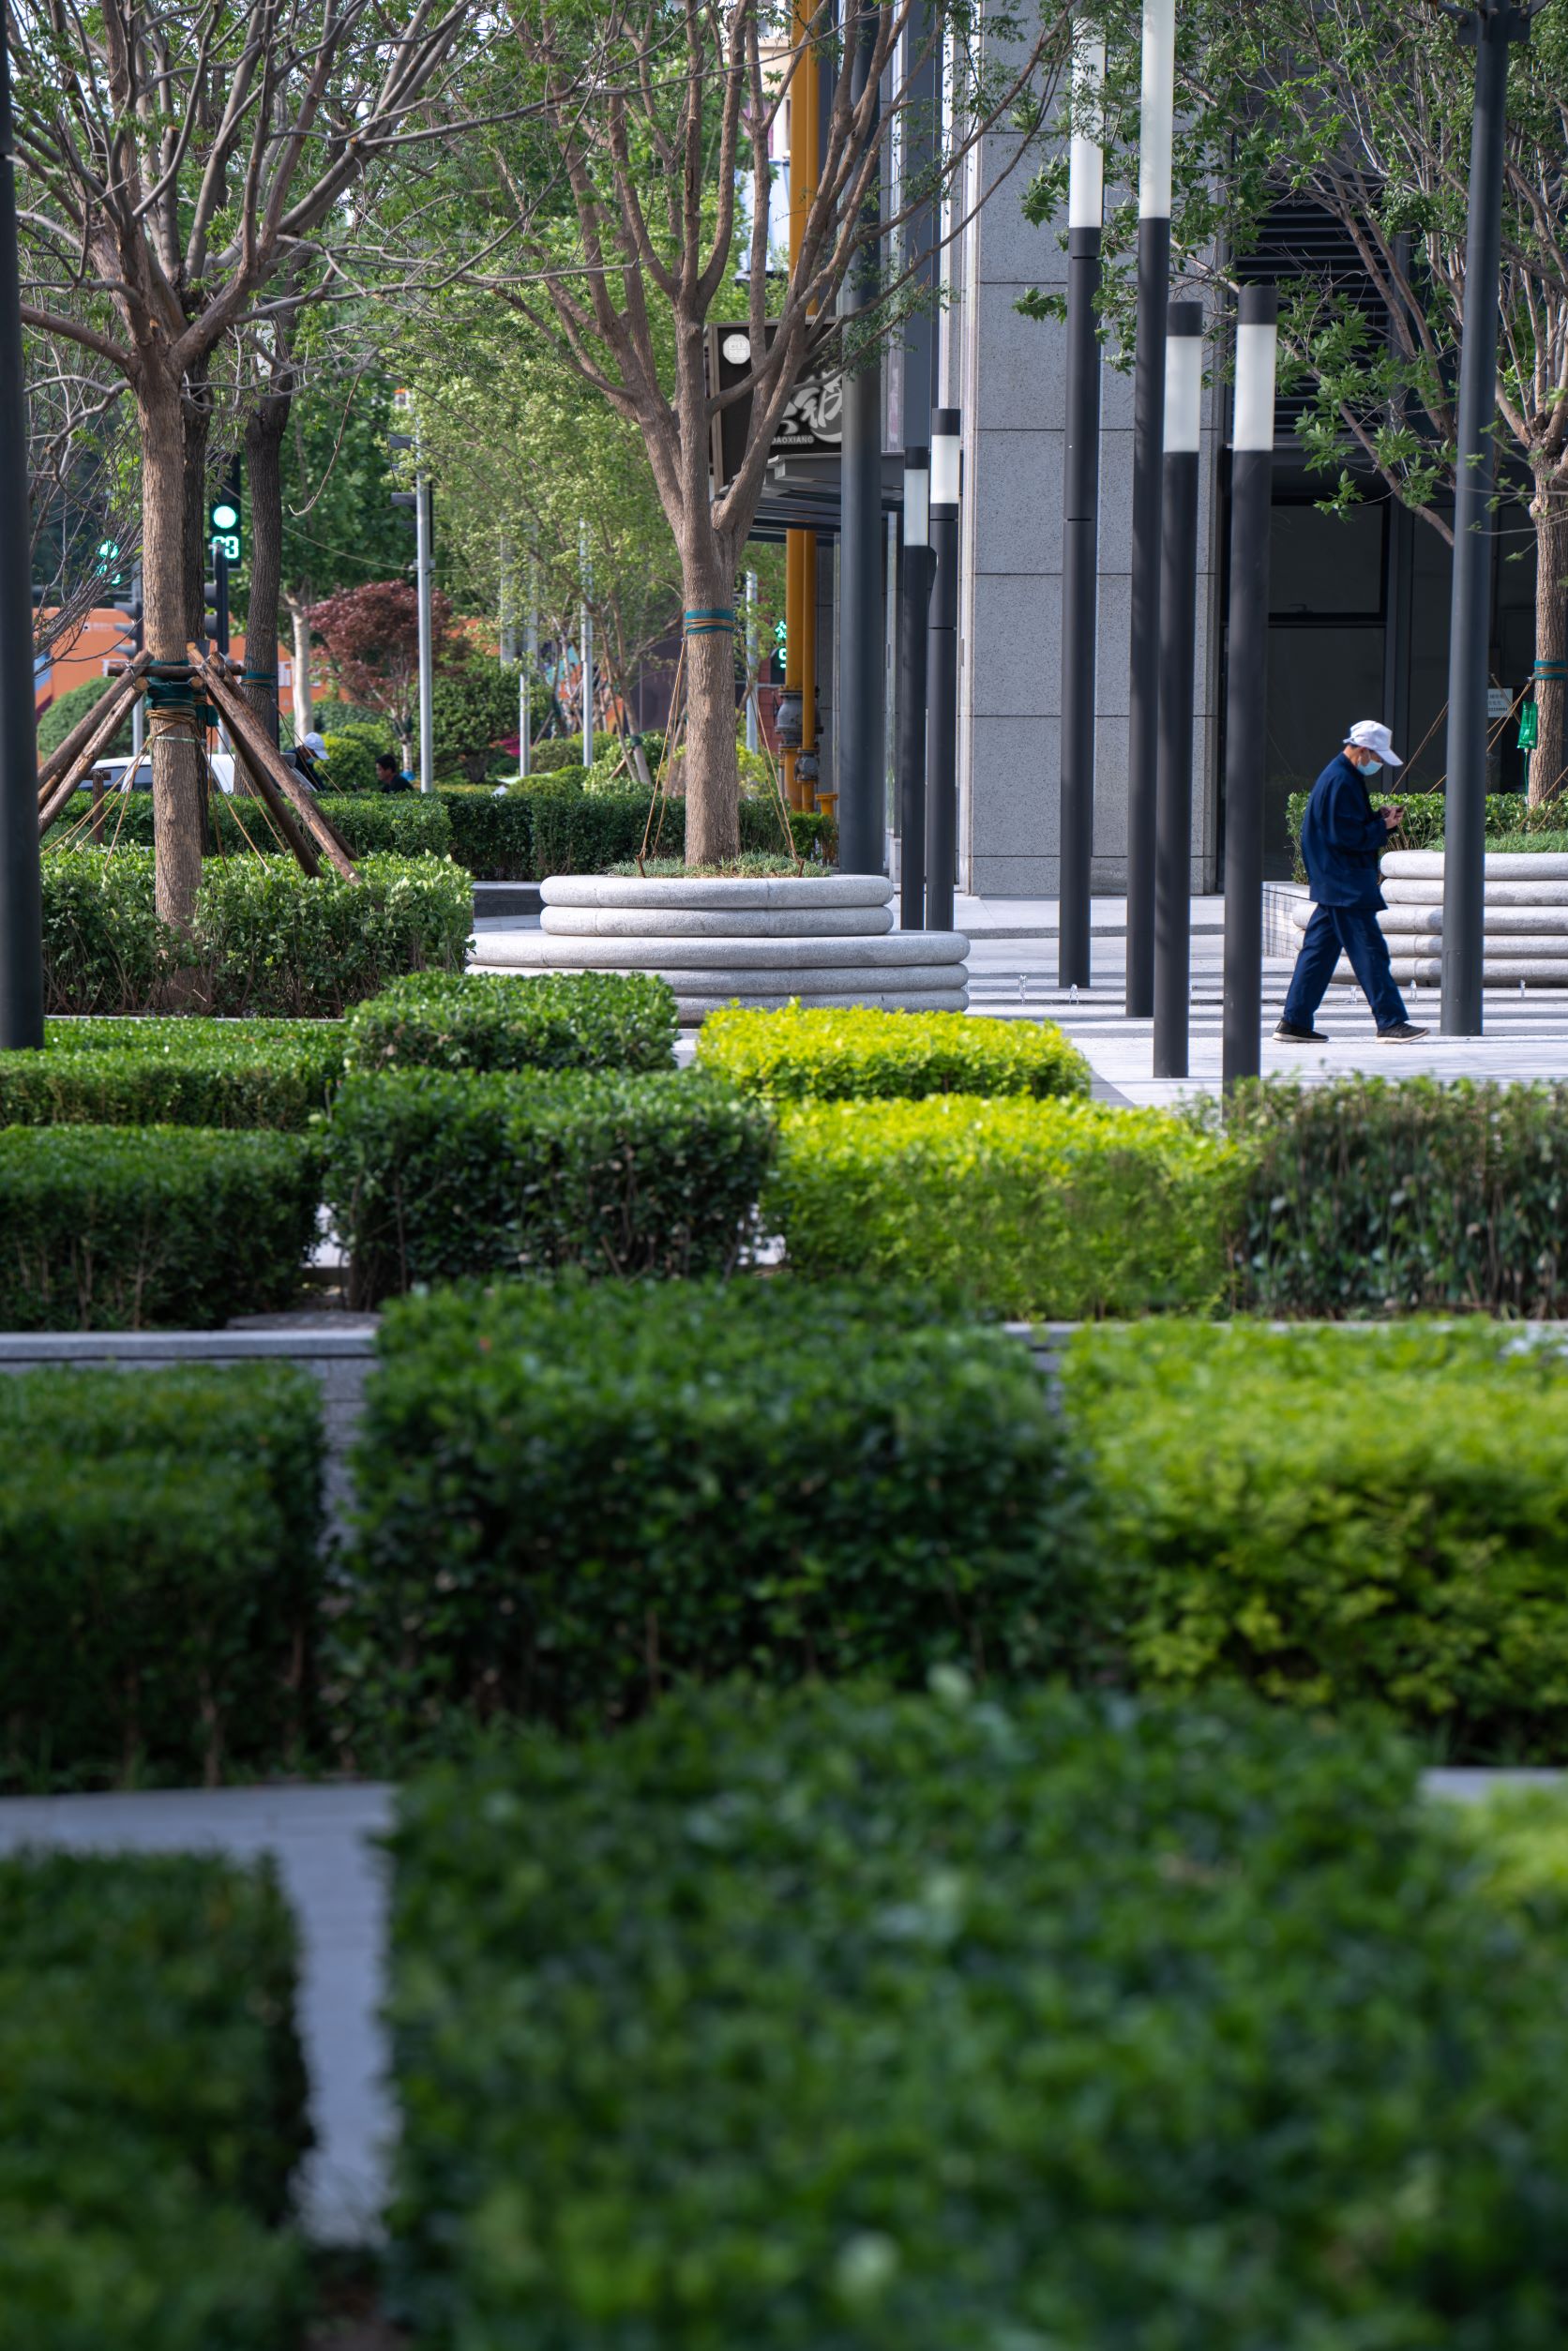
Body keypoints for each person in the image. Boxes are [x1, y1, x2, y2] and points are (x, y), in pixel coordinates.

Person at [1275, 720, 1427, 1045]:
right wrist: (1381, 827)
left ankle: (1294, 1021)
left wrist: (1378, 822)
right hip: (1345, 883)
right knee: (1370, 951)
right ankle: (1390, 1022)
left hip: (1335, 881)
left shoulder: (1339, 776)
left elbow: (1342, 830)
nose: (1379, 763)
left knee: (1317, 953)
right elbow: (1345, 836)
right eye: (1377, 756)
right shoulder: (1342, 780)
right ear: (1362, 750)